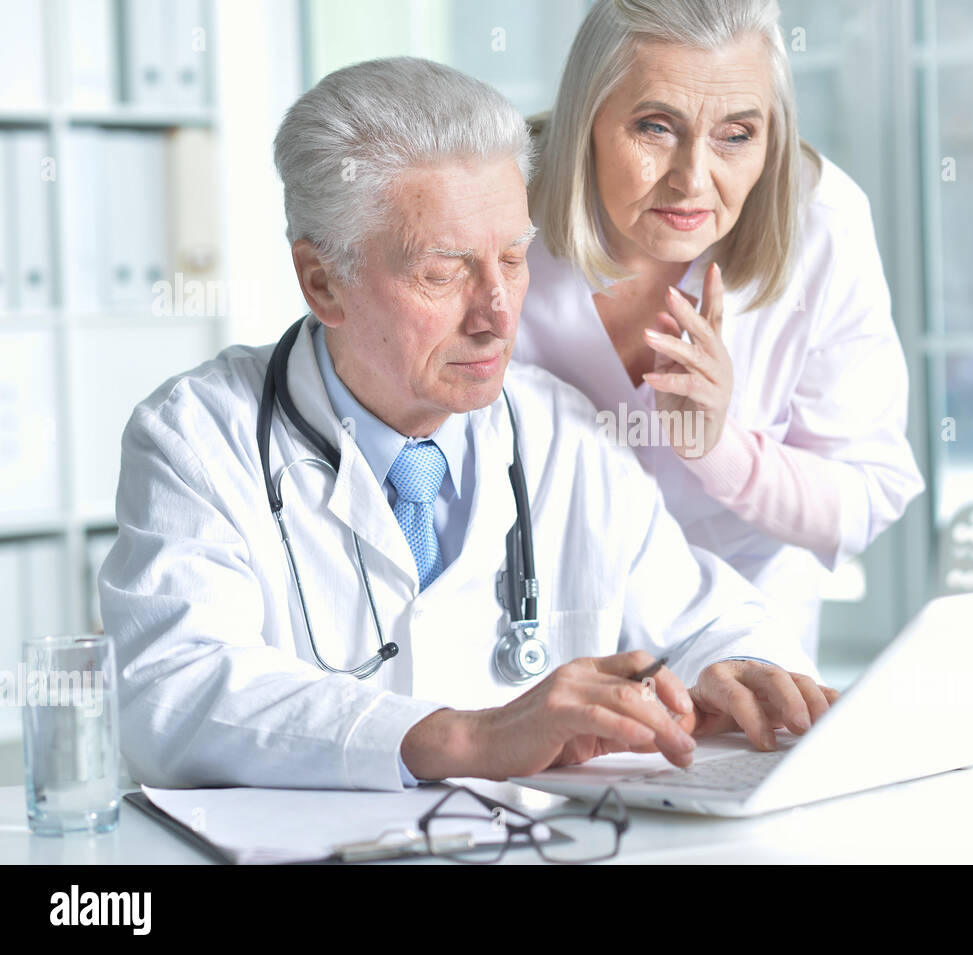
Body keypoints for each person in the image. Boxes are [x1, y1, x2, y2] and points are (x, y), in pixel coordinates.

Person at [98, 57, 836, 792]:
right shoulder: (197, 438)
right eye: (444, 273)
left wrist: (745, 669)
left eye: (513, 259)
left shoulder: (562, 434)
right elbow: (174, 687)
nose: (498, 313)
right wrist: (470, 735)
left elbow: (706, 616)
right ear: (323, 281)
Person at [515, 0, 925, 660]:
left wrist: (717, 445)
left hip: (742, 642)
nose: (693, 181)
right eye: (654, 127)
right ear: (584, 118)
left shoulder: (822, 227)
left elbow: (867, 494)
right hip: (536, 634)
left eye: (736, 135)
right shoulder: (502, 208)